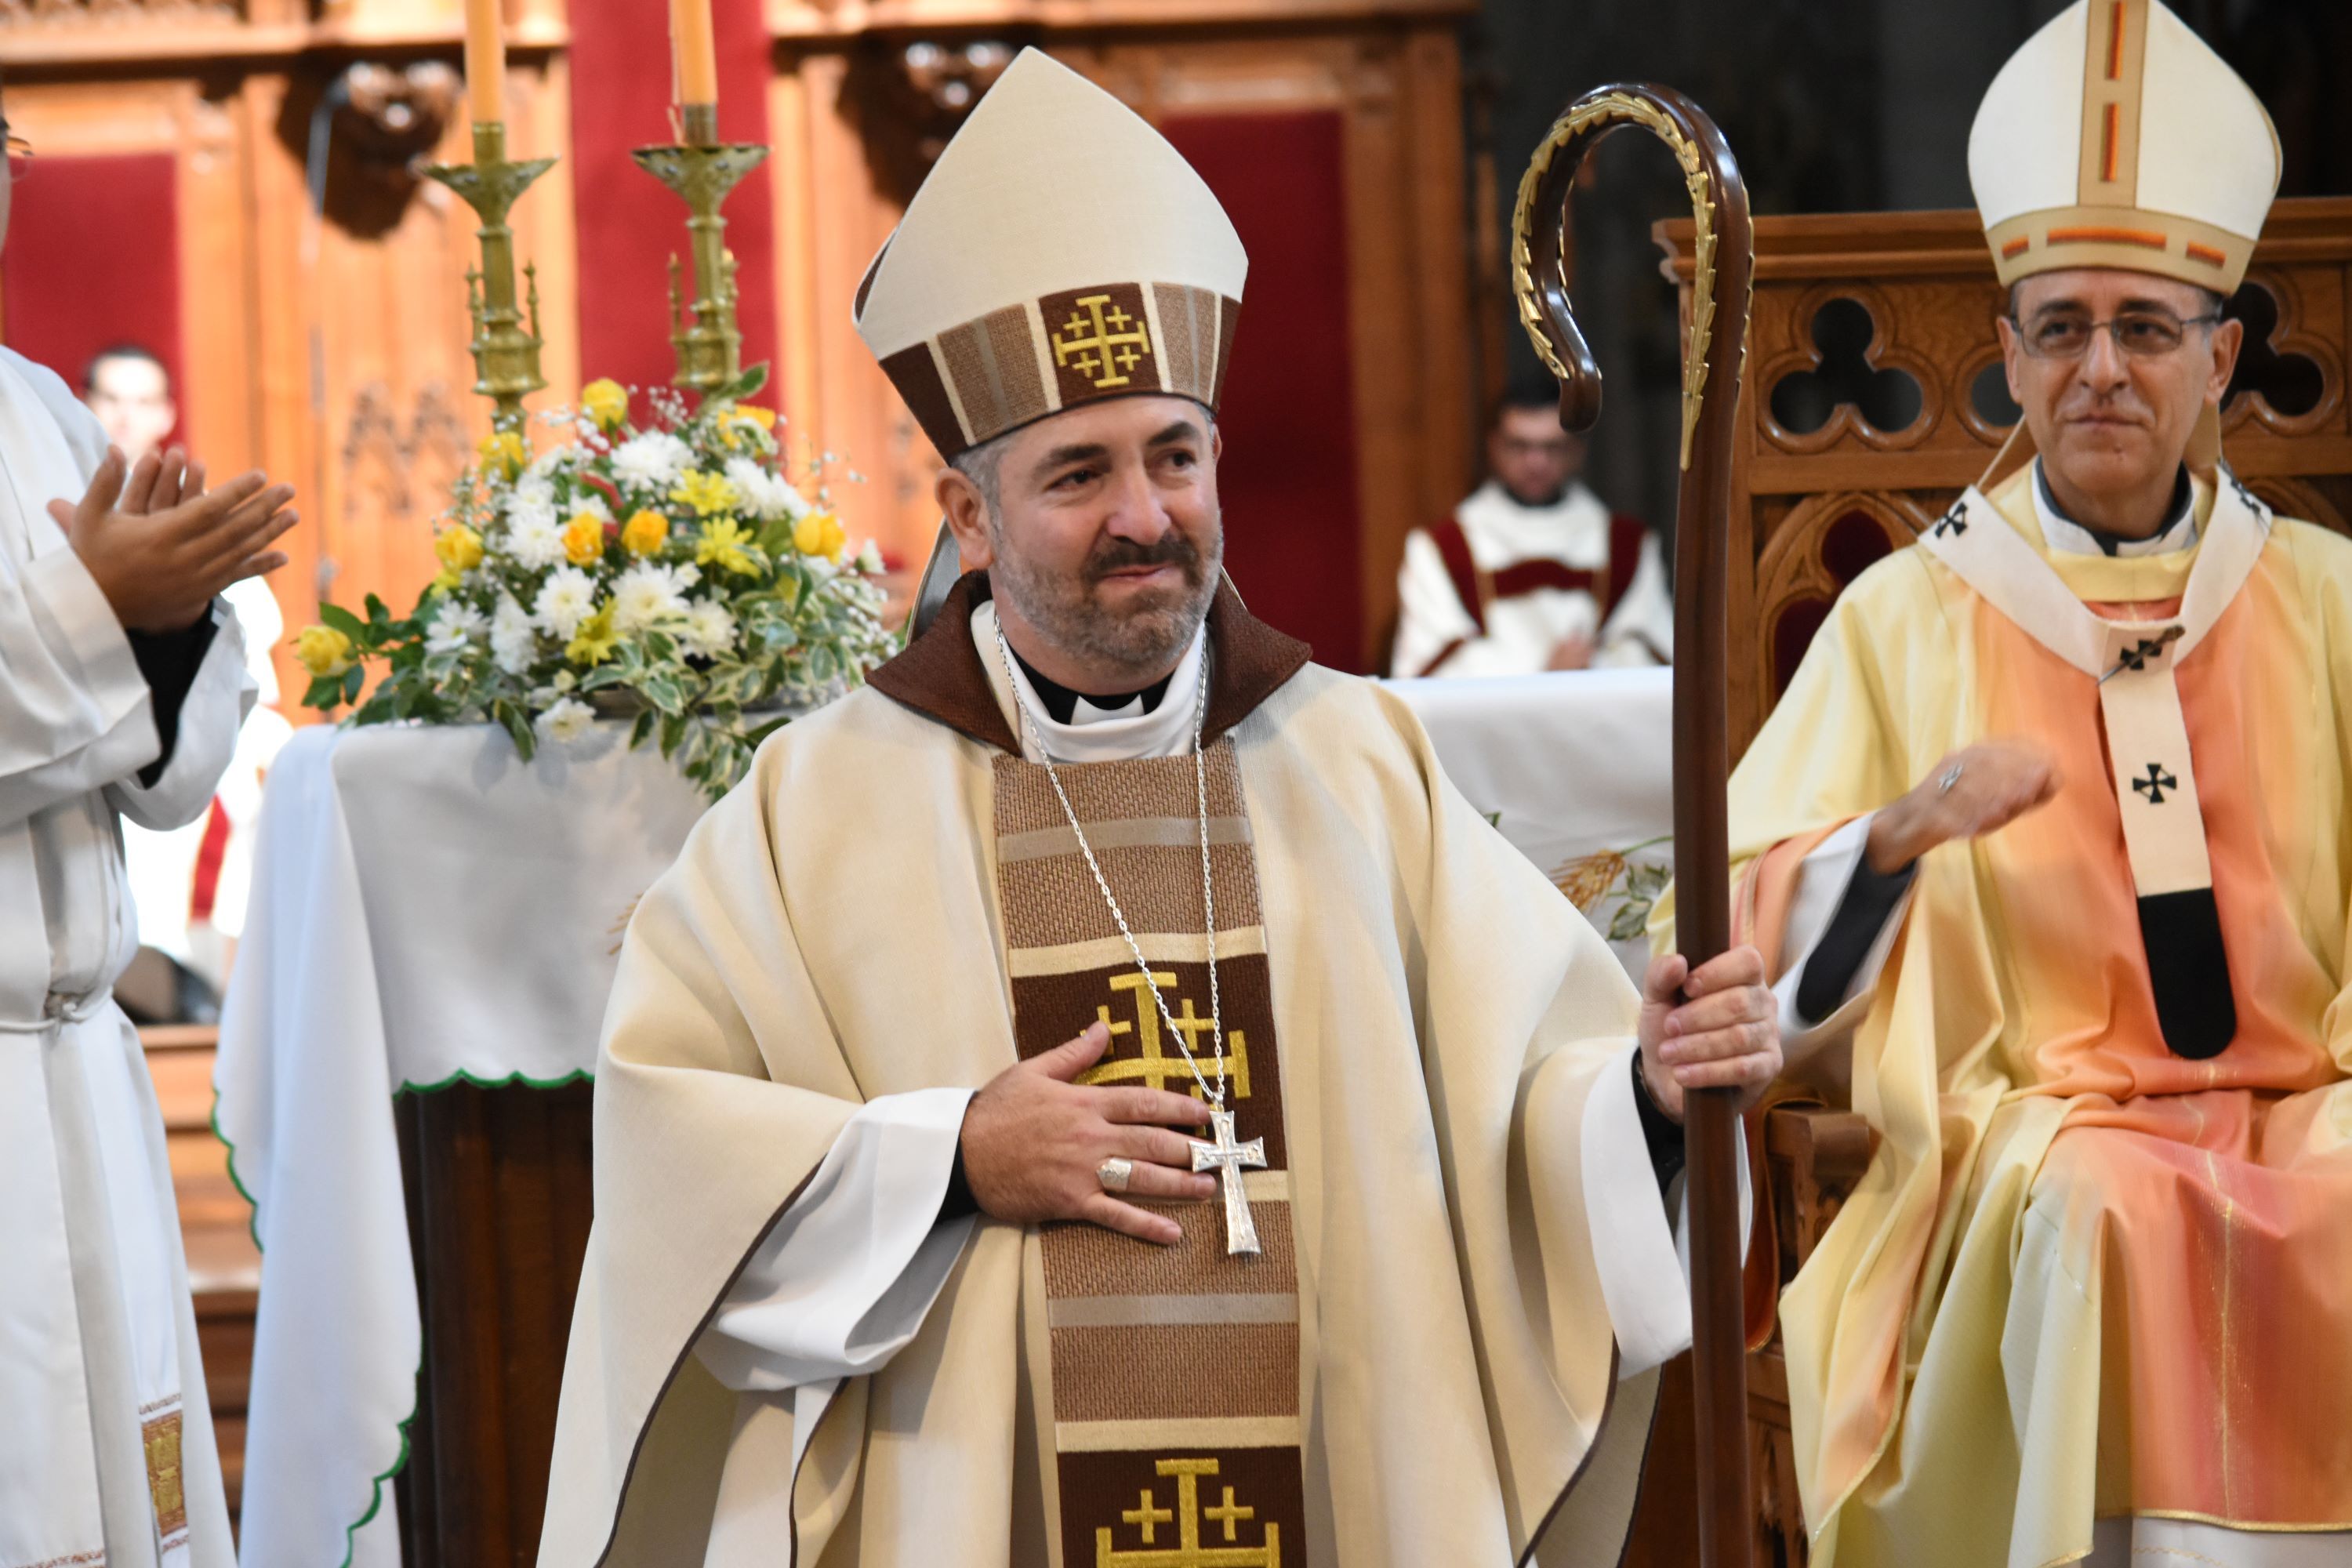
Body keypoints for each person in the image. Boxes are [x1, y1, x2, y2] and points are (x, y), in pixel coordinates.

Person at [540, 49, 1780, 1567]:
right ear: (969, 518)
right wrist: (953, 1157)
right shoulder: (819, 806)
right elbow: (676, 1147)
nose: (1145, 517)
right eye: (1078, 474)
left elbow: (1526, 1115)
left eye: (1174, 458)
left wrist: (1651, 1094)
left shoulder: (1357, 760)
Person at [1710, 4, 2352, 1565]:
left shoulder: (2327, 602)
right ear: (2006, 358)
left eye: (2146, 329)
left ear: (2220, 355)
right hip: (2039, 1131)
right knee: (2107, 1204)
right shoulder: (1907, 618)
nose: (2101, 370)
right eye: (2060, 329)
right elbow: (1738, 923)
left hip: (2313, 1102)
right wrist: (1893, 840)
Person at [0, 93, 299, 1568]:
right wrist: (98, 610)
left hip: (77, 1066)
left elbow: (160, 784)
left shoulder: (39, 407)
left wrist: (169, 626)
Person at [81, 343, 292, 998]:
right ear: (86, 403)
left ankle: (189, 1001)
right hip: (83, 751)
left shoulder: (201, 521)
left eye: (142, 401)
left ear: (167, 413)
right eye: (113, 399)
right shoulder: (55, 509)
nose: (126, 417)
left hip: (183, 752)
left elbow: (246, 659)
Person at [1390, 380, 1672, 677]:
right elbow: (1426, 674)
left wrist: (1591, 667)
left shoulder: (1627, 545)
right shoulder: (1440, 548)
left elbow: (1654, 661)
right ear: (1494, 446)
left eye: (1552, 447)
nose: (1536, 463)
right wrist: (1545, 674)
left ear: (1577, 450)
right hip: (1495, 710)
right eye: (1519, 446)